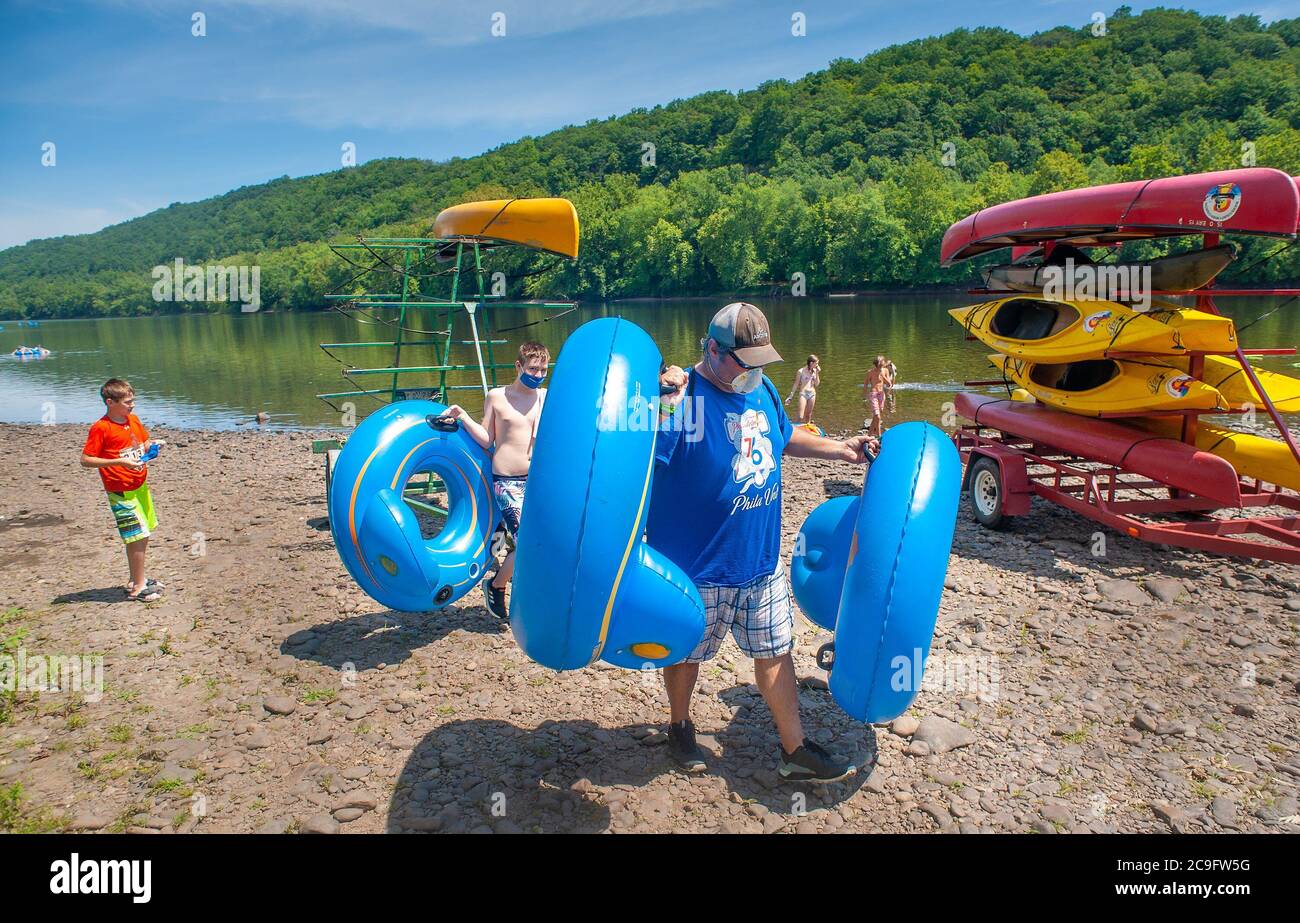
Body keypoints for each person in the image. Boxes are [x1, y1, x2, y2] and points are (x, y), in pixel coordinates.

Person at [651, 303, 877, 783]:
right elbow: (644, 461)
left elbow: (783, 437)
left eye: (760, 360)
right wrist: (664, 401)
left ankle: (795, 750)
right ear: (712, 349)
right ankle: (679, 725)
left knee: (775, 650)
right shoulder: (682, 400)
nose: (753, 370)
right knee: (686, 655)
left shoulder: (763, 388)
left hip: (760, 559)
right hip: (697, 566)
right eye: (743, 359)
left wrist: (840, 448)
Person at [447, 341, 549, 619]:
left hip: (536, 480)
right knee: (528, 542)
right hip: (506, 481)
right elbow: (486, 438)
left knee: (538, 538)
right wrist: (463, 417)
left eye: (543, 370)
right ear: (518, 366)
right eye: (533, 369)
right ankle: (495, 584)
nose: (538, 375)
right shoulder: (497, 397)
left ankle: (501, 552)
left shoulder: (546, 397)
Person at [81, 379, 166, 602]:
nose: (132, 405)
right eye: (128, 402)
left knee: (143, 533)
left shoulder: (133, 420)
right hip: (120, 489)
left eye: (133, 400)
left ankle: (136, 578)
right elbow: (86, 460)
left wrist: (152, 446)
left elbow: (143, 443)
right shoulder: (101, 427)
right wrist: (118, 462)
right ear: (110, 402)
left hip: (139, 485)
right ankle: (138, 588)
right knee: (136, 535)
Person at [784, 354, 821, 425]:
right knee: (800, 416)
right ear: (811, 363)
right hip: (803, 394)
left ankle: (808, 430)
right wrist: (790, 396)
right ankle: (794, 428)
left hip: (812, 394)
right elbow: (796, 384)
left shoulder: (815, 371)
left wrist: (817, 373)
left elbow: (817, 384)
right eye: (816, 363)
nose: (817, 365)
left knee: (808, 415)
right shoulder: (801, 371)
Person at [863, 355, 892, 437]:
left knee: (876, 417)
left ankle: (869, 435)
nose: (882, 364)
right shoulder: (870, 372)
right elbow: (865, 384)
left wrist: (883, 377)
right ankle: (879, 436)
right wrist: (864, 397)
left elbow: (889, 384)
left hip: (882, 395)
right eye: (881, 362)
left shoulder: (885, 370)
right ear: (878, 364)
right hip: (873, 395)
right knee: (877, 416)